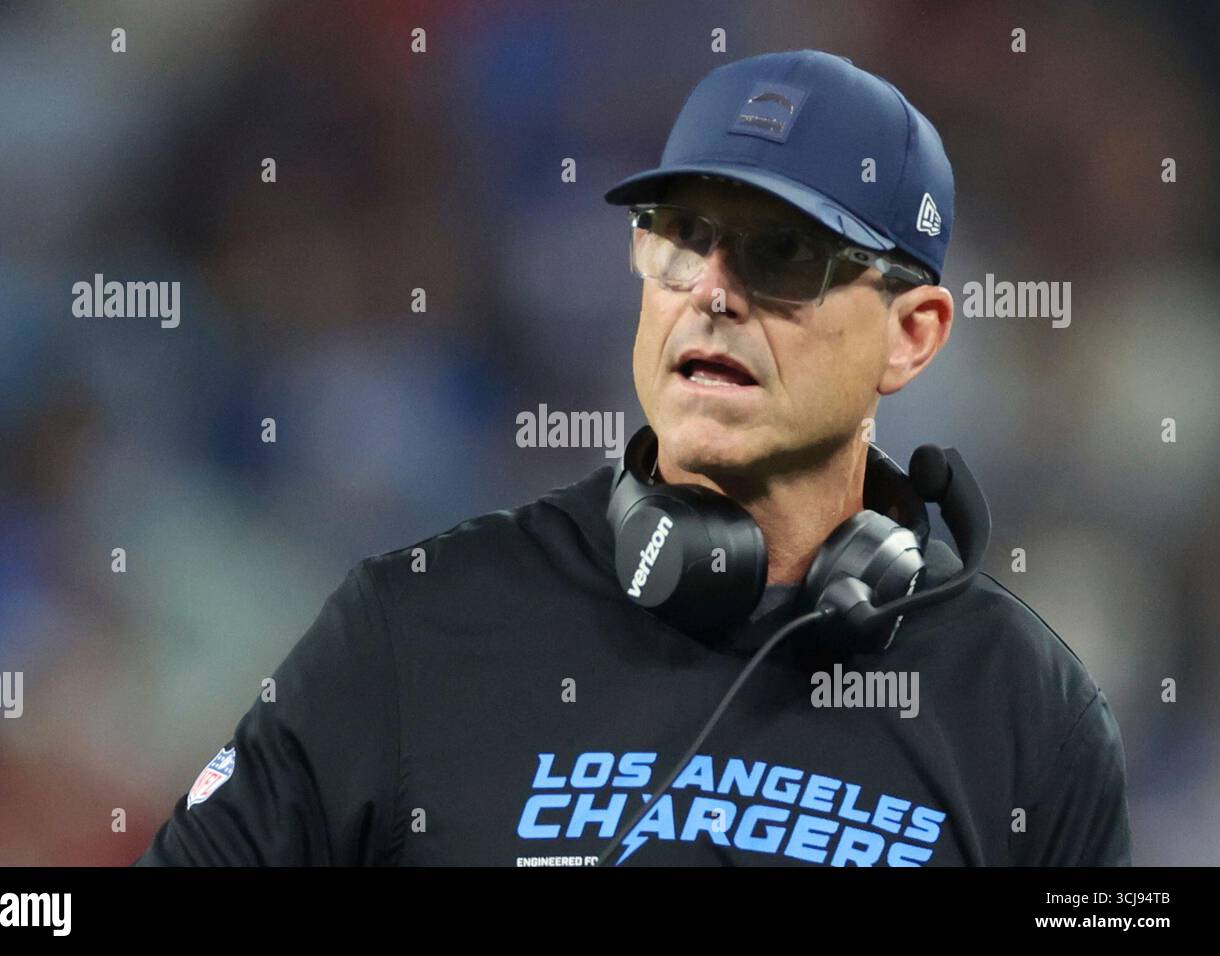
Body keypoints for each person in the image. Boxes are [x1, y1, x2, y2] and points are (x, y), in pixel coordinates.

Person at [137, 50, 1131, 867]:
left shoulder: (1020, 708)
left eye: (781, 255)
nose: (711, 289)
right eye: (681, 238)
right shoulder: (415, 627)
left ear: (910, 334)